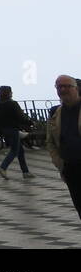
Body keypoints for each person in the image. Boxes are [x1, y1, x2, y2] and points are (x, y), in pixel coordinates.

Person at [46, 74, 81, 220]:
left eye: (67, 86)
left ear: (76, 88)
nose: (63, 89)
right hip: (71, 168)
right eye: (59, 86)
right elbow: (50, 142)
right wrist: (59, 163)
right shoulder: (56, 113)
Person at [0, 85, 34, 180]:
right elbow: (20, 116)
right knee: (14, 150)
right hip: (13, 129)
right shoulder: (12, 104)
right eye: (11, 91)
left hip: (4, 129)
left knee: (20, 151)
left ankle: (25, 172)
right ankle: (3, 167)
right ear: (8, 93)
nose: (12, 93)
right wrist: (29, 122)